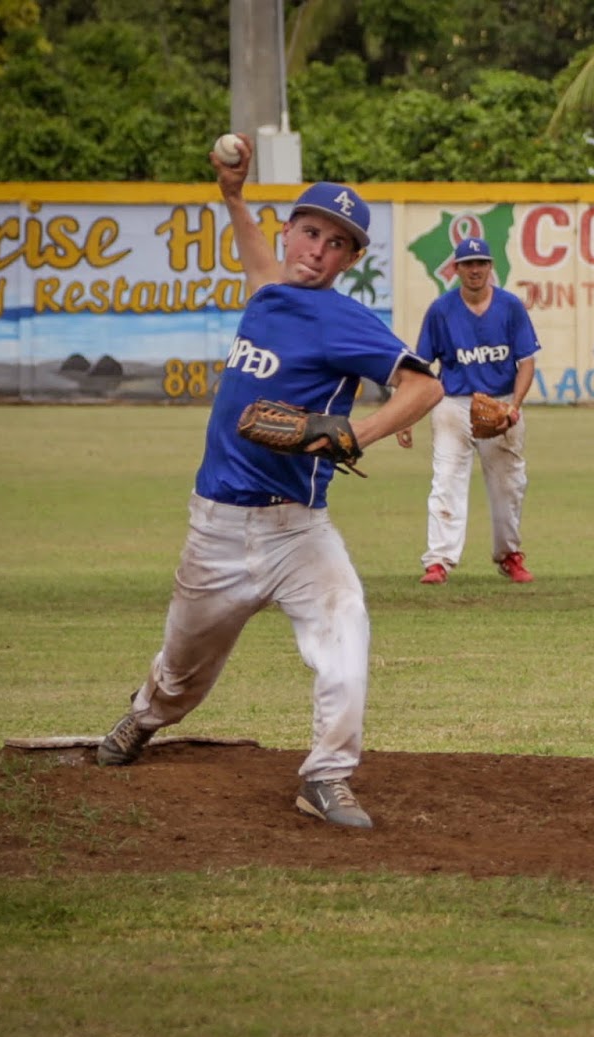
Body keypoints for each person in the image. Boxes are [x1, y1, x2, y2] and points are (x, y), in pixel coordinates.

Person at [95, 133, 444, 830]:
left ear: (350, 259)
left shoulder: (346, 320)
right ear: (291, 231)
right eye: (310, 231)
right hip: (216, 529)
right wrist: (232, 197)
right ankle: (143, 719)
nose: (318, 249)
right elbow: (262, 268)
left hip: (295, 531)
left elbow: (424, 386)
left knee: (346, 627)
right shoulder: (271, 295)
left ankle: (328, 777)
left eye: (337, 243)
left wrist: (352, 434)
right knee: (181, 673)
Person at [399, 236, 541, 586]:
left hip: (501, 401)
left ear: (490, 266)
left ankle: (509, 554)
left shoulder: (509, 307)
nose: (475, 269)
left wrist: (514, 406)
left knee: (508, 483)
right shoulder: (441, 310)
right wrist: (405, 415)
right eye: (467, 264)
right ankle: (438, 561)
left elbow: (526, 362)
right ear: (456, 269)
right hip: (454, 404)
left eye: (481, 262)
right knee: (446, 478)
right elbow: (422, 366)